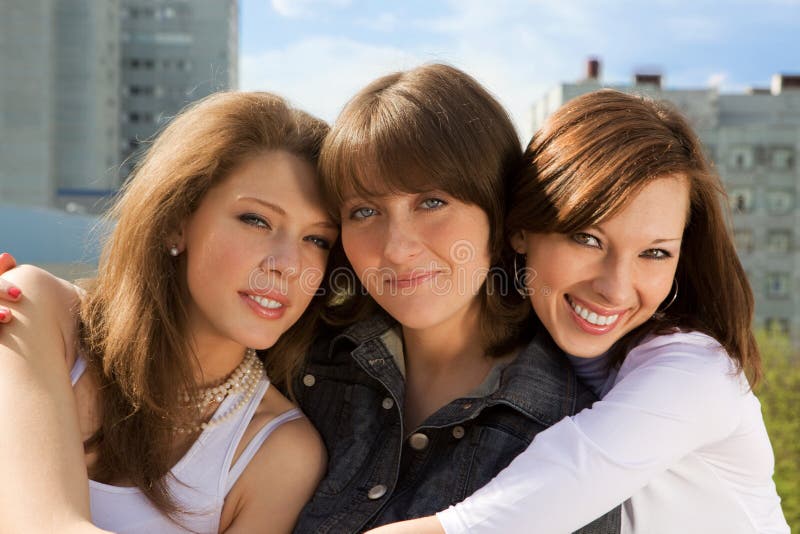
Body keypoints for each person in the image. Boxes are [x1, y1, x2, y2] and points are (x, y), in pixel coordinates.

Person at [367, 90, 790, 533]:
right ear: (522, 231)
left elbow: (486, 526)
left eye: (654, 253)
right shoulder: (539, 353)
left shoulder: (693, 373)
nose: (615, 289)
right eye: (588, 239)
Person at [283, 64, 618, 533]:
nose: (397, 248)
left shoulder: (574, 429)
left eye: (432, 202)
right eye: (364, 211)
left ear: (498, 215)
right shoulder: (304, 367)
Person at [0, 91, 339, 532]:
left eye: (317, 240)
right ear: (177, 221)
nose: (289, 266)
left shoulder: (280, 451)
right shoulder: (40, 314)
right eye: (257, 220)